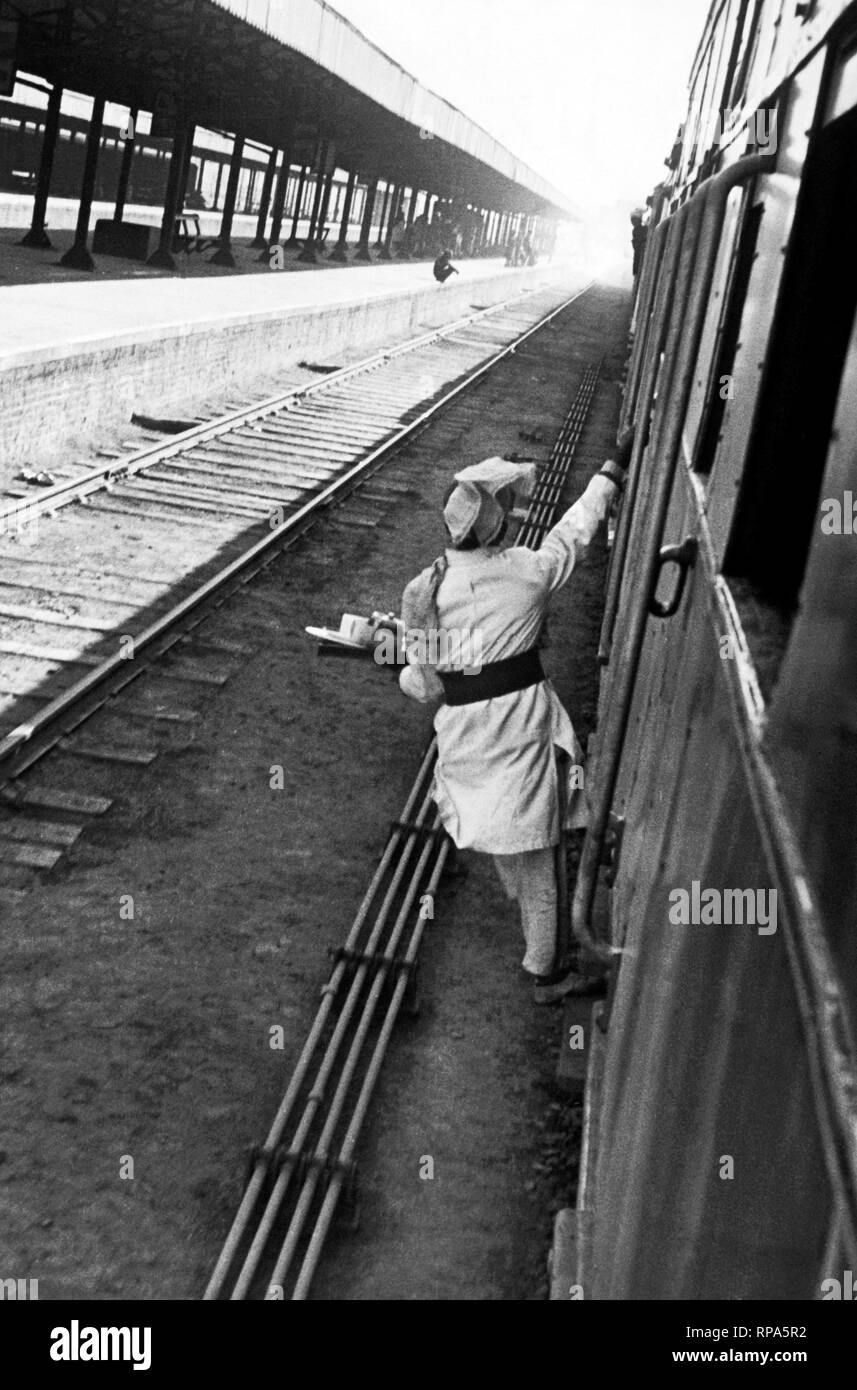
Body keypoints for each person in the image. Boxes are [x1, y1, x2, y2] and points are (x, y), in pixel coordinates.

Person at [397, 437, 633, 1003]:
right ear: (498, 531)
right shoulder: (526, 575)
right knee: (539, 850)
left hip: (465, 737)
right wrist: (607, 476)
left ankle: (543, 945)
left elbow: (424, 686)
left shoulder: (421, 590)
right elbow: (571, 535)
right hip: (520, 727)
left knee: (510, 843)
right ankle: (546, 972)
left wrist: (404, 666)